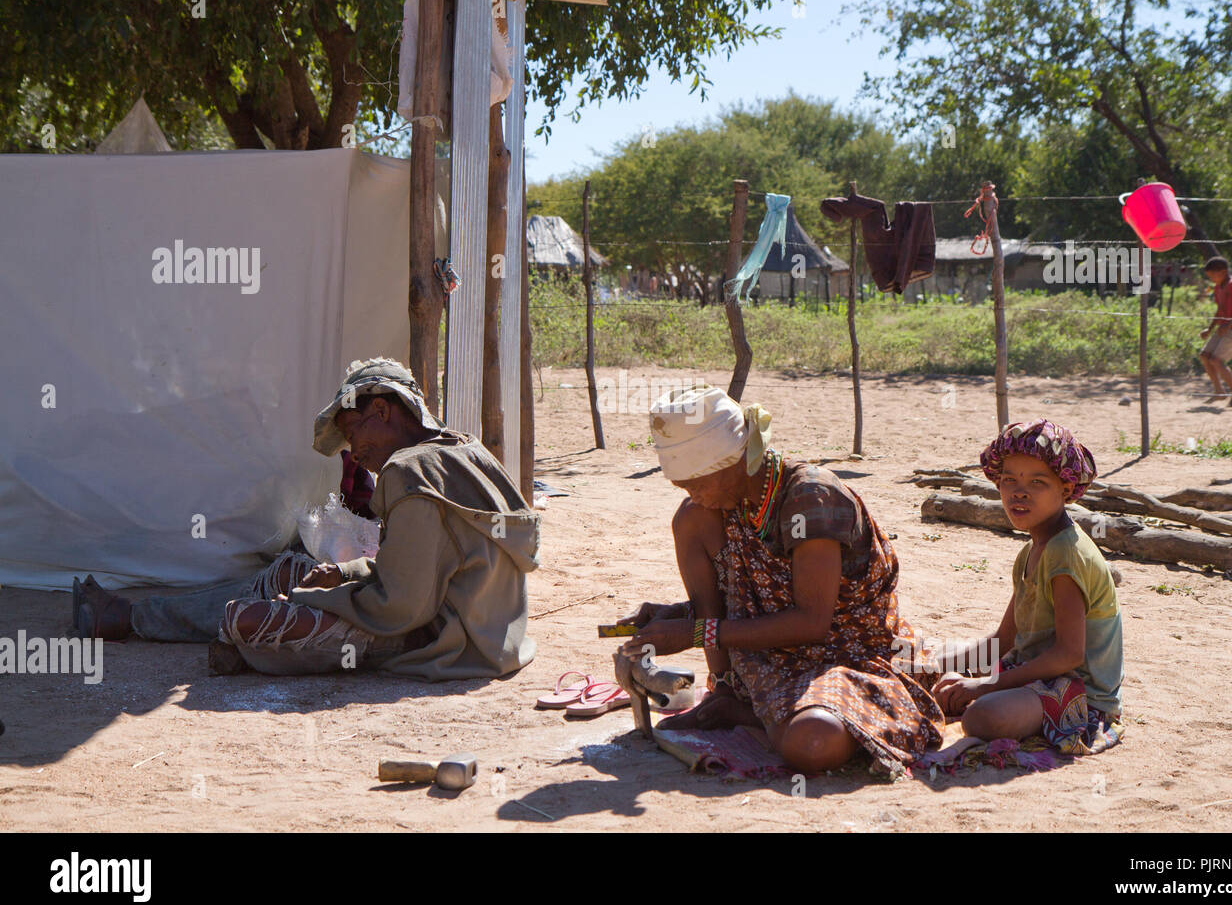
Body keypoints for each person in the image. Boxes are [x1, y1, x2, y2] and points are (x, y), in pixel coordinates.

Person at [75, 357, 540, 681]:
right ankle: (131, 617)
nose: (353, 452)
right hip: (490, 632)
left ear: (382, 410)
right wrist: (343, 574)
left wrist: (324, 598)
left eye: (354, 431)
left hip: (446, 641)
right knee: (288, 570)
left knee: (245, 617)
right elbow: (428, 567)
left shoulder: (407, 470)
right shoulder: (467, 448)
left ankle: (148, 623)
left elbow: (404, 609)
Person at [619, 385, 943, 776]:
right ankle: (725, 691)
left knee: (812, 741)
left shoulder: (811, 499)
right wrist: (674, 616)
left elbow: (811, 622)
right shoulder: (716, 510)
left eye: (696, 483)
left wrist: (695, 633)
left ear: (732, 460)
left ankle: (752, 714)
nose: (693, 495)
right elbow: (736, 603)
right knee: (690, 517)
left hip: (846, 659)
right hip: (765, 662)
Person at [931, 419, 1124, 755]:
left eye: (1037, 482)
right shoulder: (1030, 552)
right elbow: (1003, 641)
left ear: (1065, 489)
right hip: (1031, 677)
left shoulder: (1066, 552)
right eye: (1009, 480)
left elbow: (1068, 655)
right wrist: (934, 664)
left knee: (981, 717)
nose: (1019, 492)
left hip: (1079, 695)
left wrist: (983, 684)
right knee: (924, 671)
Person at [1198, 256, 1232, 406]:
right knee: (1205, 355)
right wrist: (1209, 329)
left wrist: (1228, 325)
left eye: (1212, 276)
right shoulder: (1218, 287)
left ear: (1222, 272)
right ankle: (1219, 391)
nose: (1211, 279)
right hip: (1225, 327)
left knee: (1216, 360)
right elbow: (1220, 310)